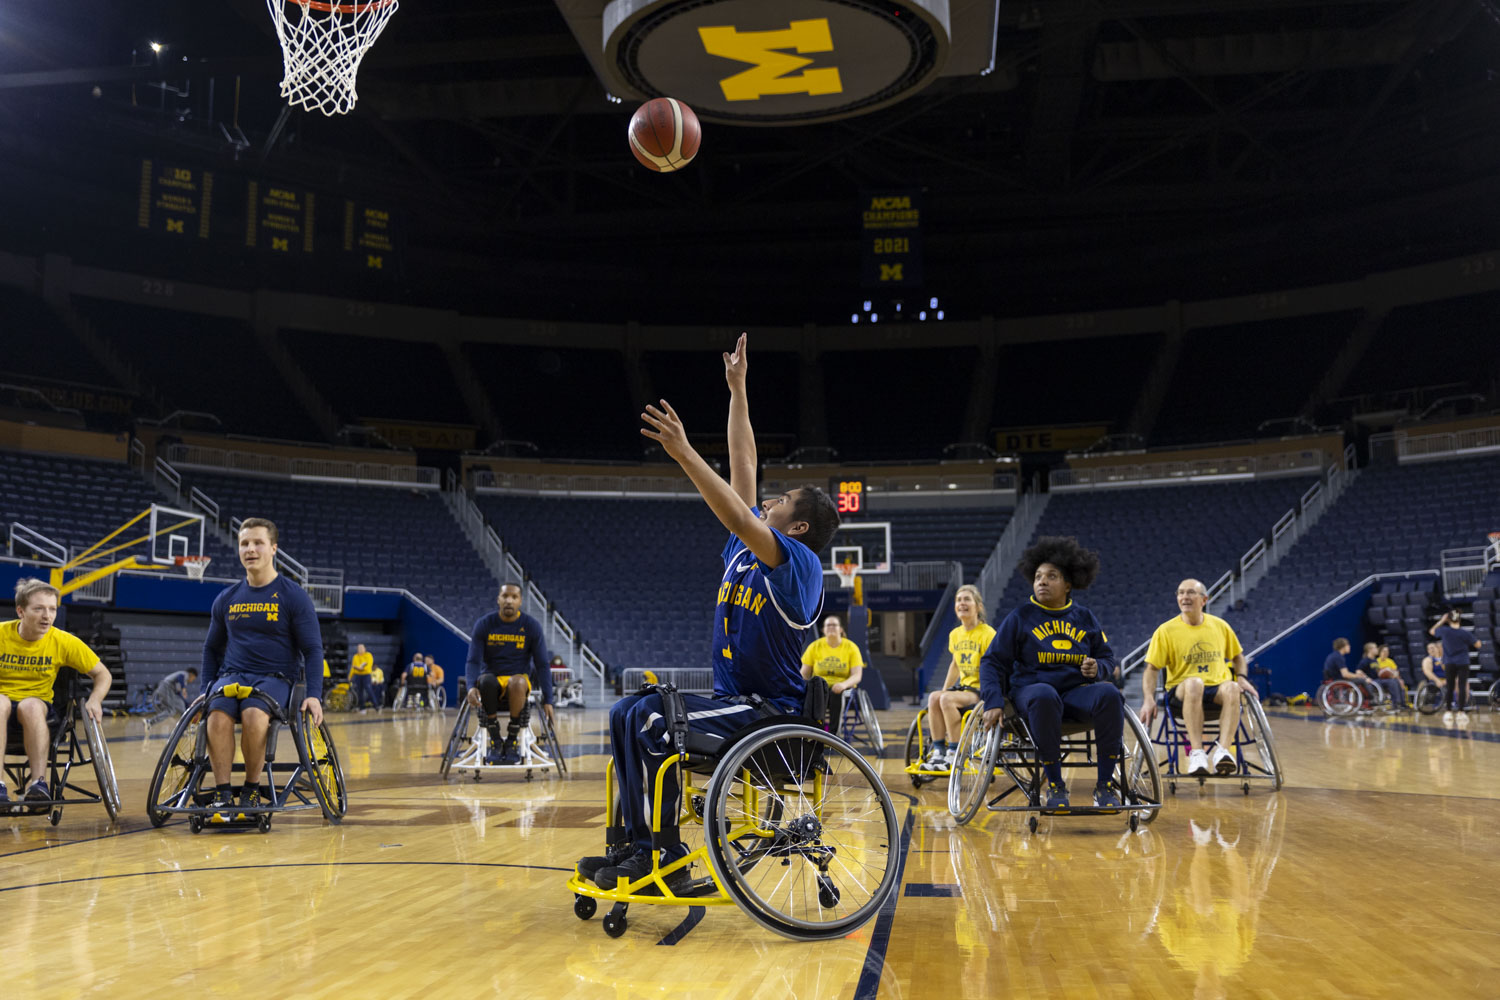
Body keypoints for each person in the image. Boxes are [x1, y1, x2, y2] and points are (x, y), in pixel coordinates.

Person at [578, 332, 838, 892]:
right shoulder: (747, 547)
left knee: (653, 723)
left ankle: (663, 855)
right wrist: (738, 388)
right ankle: (631, 847)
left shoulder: (797, 562)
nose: (767, 500)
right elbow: (743, 464)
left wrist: (683, 453)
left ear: (797, 527)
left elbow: (740, 510)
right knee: (627, 711)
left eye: (781, 501)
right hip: (732, 704)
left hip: (770, 715)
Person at [979, 536, 1122, 812]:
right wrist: (993, 701)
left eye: (1051, 576)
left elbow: (1106, 657)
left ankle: (1105, 785)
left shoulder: (1084, 617)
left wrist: (1098, 668)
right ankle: (1056, 785)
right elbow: (992, 662)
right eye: (1038, 577)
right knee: (1044, 695)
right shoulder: (1020, 617)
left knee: (1109, 693)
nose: (1042, 581)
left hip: (1075, 694)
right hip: (1032, 691)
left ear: (1068, 585)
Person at [200, 518, 324, 817]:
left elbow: (312, 649)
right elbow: (210, 648)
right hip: (231, 675)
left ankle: (252, 790)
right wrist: (206, 689)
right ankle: (222, 793)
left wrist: (315, 694)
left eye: (258, 543)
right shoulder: (226, 598)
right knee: (216, 715)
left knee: (254, 715)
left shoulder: (293, 595)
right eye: (244, 543)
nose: (250, 549)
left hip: (275, 678)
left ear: (273, 549)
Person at [0, 579, 112, 810]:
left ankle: (38, 784)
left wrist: (95, 700)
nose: (47, 616)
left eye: (52, 609)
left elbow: (103, 675)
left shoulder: (63, 641)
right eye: (39, 608)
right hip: (2, 706)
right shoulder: (2, 634)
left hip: (37, 709)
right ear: (21, 611)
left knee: (29, 706)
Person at [1139, 579, 1253, 777]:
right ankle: (1197, 752)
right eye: (1181, 593)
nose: (1184, 597)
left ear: (1204, 599)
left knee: (1233, 687)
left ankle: (1223, 752)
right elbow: (1151, 669)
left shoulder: (1220, 626)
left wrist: (1242, 677)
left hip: (1217, 690)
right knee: (1194, 683)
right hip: (1182, 692)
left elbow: (1238, 657)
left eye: (1191, 592)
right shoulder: (1165, 630)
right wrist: (1148, 698)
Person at [465, 583, 554, 764]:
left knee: (517, 682)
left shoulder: (531, 626)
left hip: (518, 681)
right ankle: (496, 740)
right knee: (486, 681)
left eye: (514, 597)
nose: (509, 601)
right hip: (492, 681)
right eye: (505, 596)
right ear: (498, 599)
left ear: (520, 601)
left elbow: (542, 664)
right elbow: (473, 660)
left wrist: (549, 700)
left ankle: (512, 740)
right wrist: (470, 687)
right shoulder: (484, 624)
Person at [922, 584, 994, 767]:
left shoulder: (988, 634)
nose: (962, 603)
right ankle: (938, 751)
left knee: (945, 699)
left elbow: (996, 666)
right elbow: (954, 664)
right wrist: (944, 691)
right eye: (958, 600)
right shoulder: (955, 634)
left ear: (978, 606)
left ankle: (955, 752)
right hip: (963, 688)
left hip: (981, 689)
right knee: (934, 698)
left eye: (967, 599)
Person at [800, 614, 865, 729]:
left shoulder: (851, 647)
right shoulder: (815, 646)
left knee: (836, 693)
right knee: (815, 691)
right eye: (828, 625)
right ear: (823, 630)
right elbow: (804, 674)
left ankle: (833, 733)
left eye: (834, 625)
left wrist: (843, 685)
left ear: (840, 629)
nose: (831, 627)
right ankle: (816, 729)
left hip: (841, 688)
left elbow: (857, 675)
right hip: (821, 687)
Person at [1430, 609, 1481, 724]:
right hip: (1463, 662)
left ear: (1448, 620)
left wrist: (1441, 621)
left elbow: (1432, 631)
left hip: (1449, 663)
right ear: (1459, 619)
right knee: (1462, 687)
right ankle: (1461, 712)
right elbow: (1478, 644)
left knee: (1450, 687)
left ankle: (1448, 712)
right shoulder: (1465, 633)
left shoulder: (1444, 631)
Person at [349, 642, 376, 712]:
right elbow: (353, 668)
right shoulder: (355, 656)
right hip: (358, 676)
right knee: (359, 691)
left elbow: (367, 667)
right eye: (358, 648)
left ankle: (376, 705)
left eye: (361, 647)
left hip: (366, 675)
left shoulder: (368, 655)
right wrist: (350, 676)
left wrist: (358, 668)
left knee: (369, 689)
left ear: (365, 648)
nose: (360, 649)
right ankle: (362, 707)